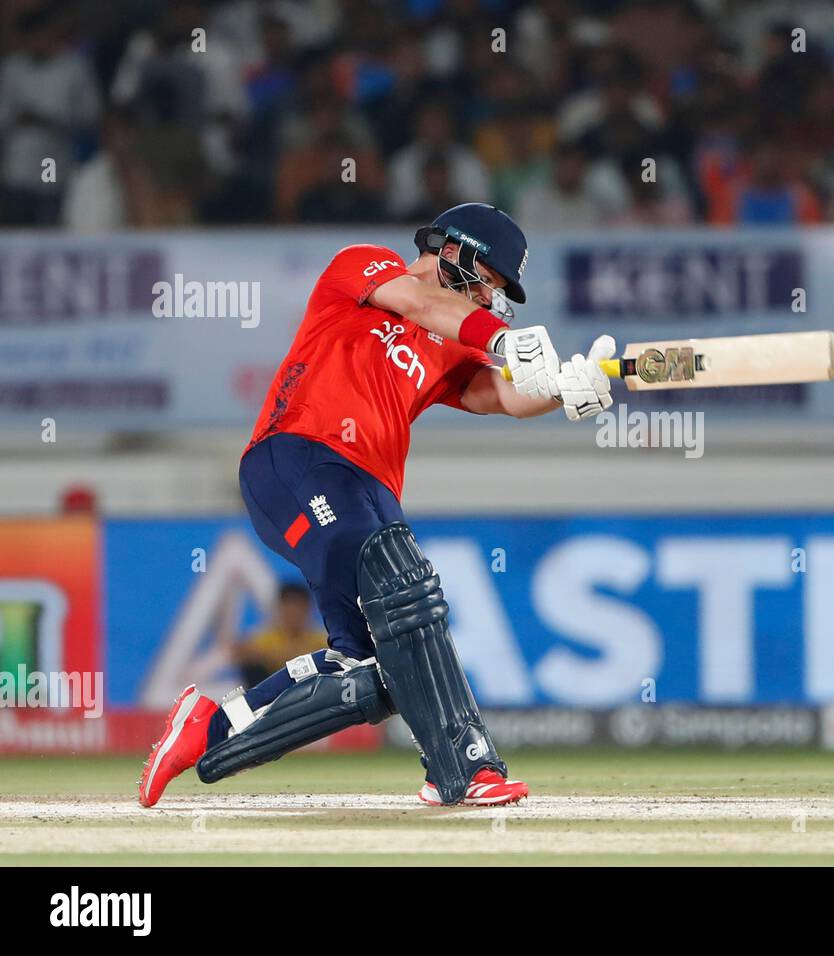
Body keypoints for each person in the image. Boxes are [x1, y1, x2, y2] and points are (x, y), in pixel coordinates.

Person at [140, 202, 615, 809]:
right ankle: (466, 767)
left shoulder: (447, 346)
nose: (493, 300)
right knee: (401, 577)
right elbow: (420, 304)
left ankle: (209, 727)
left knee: (374, 667)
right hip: (298, 458)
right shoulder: (365, 267)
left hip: (369, 491)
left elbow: (501, 394)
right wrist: (500, 337)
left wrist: (568, 388)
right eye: (491, 282)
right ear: (456, 253)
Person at [234, 583, 326, 688]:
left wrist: (276, 657)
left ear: (308, 608)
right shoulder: (268, 636)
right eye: (287, 607)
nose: (292, 613)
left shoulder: (319, 639)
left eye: (297, 607)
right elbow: (241, 652)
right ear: (280, 608)